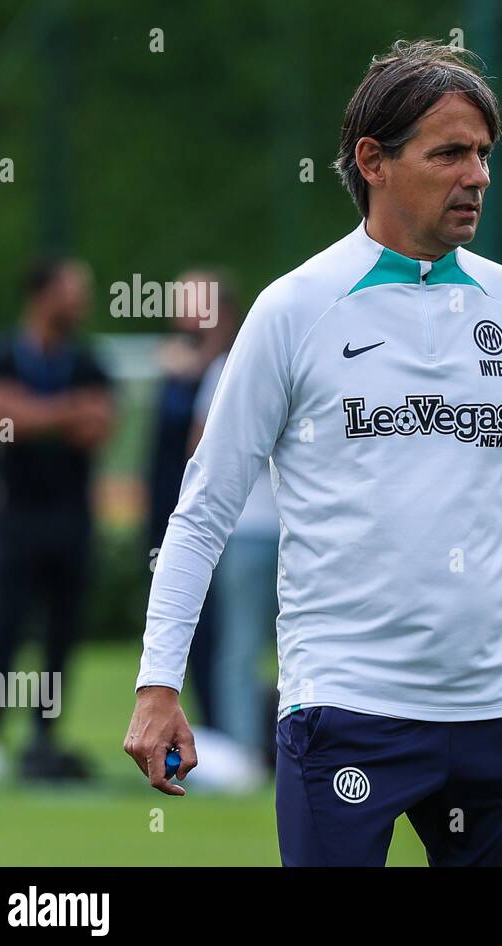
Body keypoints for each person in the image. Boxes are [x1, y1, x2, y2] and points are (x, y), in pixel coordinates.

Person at [125, 39, 502, 866]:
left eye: (482, 154)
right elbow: (203, 511)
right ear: (374, 160)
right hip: (347, 711)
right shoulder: (293, 309)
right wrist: (158, 684)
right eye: (449, 153)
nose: (476, 175)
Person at [0, 258, 115, 784]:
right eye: (74, 289)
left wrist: (33, 413)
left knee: (60, 632)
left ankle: (44, 739)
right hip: (15, 519)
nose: (83, 300)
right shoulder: (3, 354)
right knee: (4, 627)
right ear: (44, 295)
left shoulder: (90, 359)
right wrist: (67, 411)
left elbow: (99, 428)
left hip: (71, 520)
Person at [187, 275, 280, 783]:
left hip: (299, 531)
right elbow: (205, 452)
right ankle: (244, 754)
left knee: (310, 641)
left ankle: (303, 747)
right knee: (241, 645)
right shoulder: (227, 369)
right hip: (246, 528)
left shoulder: (285, 360)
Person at [144, 270, 233, 731]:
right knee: (184, 622)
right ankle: (202, 721)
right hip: (168, 509)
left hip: (217, 517)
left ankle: (226, 727)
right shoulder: (176, 363)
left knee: (222, 629)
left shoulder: (228, 366)